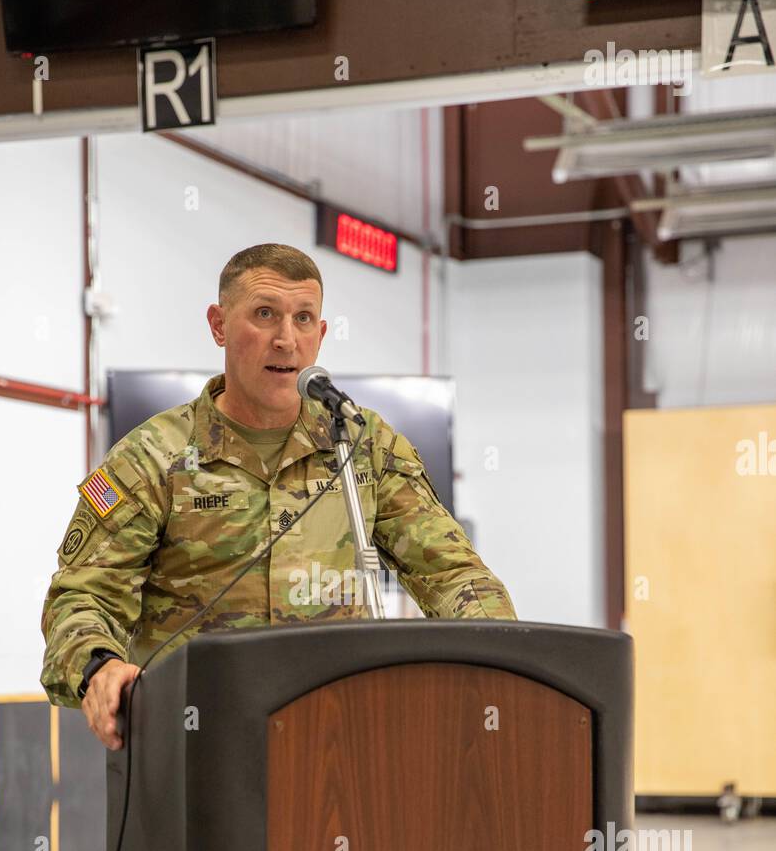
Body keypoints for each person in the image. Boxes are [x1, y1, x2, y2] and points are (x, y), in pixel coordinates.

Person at [40, 243, 517, 750]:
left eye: (304, 318)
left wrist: (503, 661)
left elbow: (451, 572)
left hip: (336, 741)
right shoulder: (153, 458)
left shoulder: (362, 444)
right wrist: (100, 668)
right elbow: (84, 597)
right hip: (195, 743)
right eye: (265, 314)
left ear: (321, 334)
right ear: (219, 325)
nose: (286, 339)